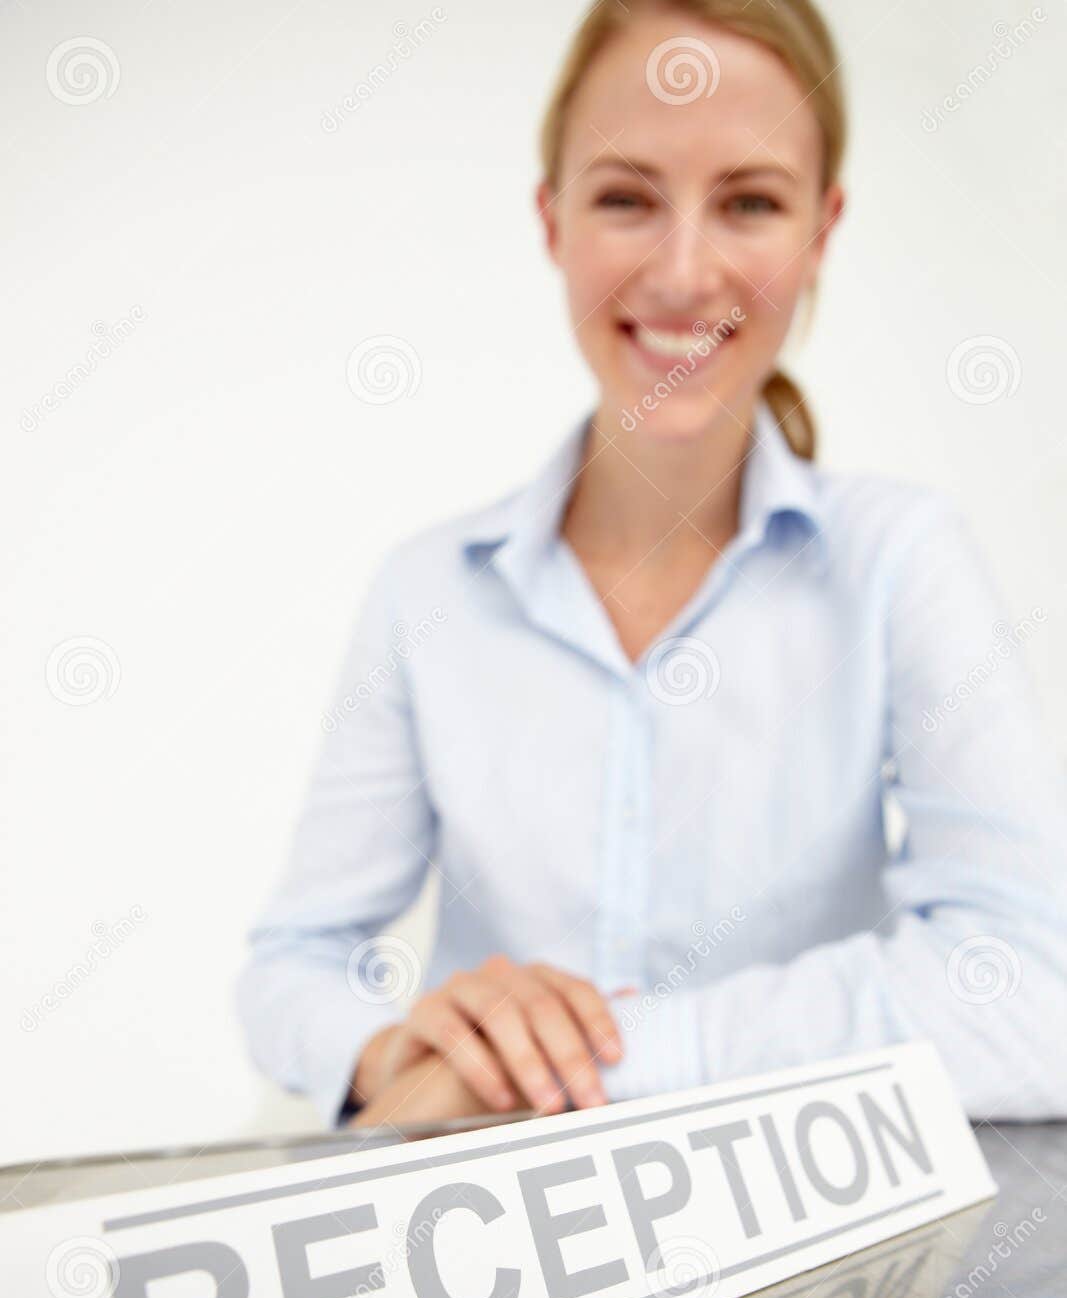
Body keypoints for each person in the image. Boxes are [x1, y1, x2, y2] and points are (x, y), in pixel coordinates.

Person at [236, 0, 1067, 1132]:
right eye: (626, 198)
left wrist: (555, 1073)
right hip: (490, 1254)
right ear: (552, 220)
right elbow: (291, 967)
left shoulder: (897, 564)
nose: (682, 271)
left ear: (820, 231)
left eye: (749, 203)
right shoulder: (426, 592)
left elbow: (1030, 991)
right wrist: (392, 1051)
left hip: (800, 1274)